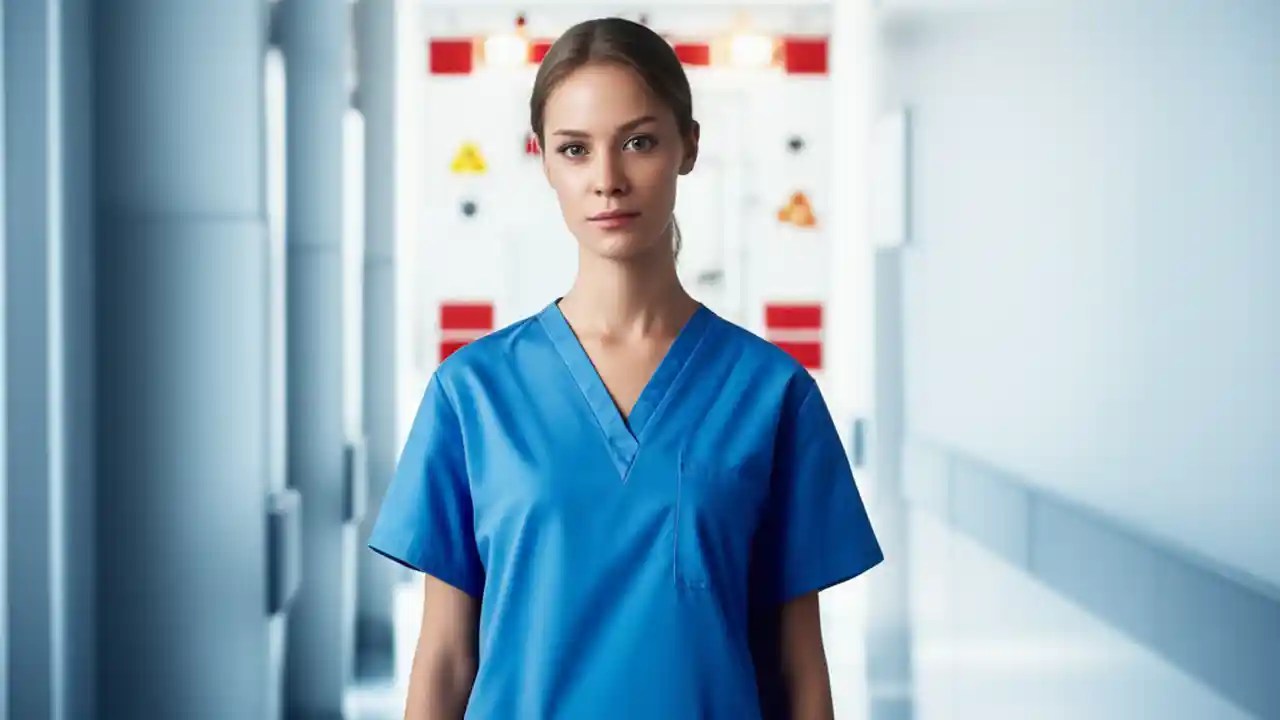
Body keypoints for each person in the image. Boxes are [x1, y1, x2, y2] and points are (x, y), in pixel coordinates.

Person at [367, 16, 883, 720]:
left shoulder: (771, 396)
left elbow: (801, 675)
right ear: (544, 161)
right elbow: (445, 662)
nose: (607, 180)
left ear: (688, 146)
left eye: (638, 142)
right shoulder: (472, 395)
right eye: (575, 150)